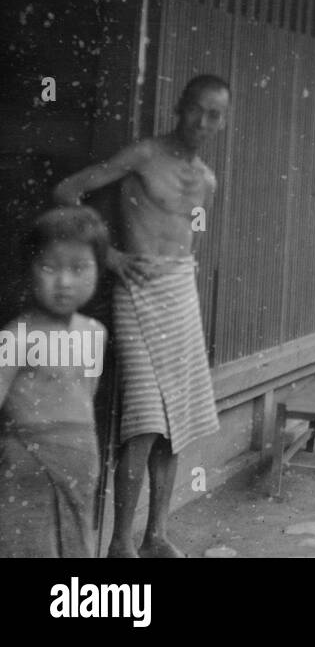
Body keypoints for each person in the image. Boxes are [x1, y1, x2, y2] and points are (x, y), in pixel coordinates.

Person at [53, 74, 229, 558]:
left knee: (178, 425)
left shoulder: (208, 181)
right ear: (180, 107)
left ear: (222, 122)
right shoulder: (144, 156)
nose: (202, 121)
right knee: (145, 419)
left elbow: (188, 237)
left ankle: (156, 534)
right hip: (136, 292)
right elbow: (69, 191)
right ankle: (120, 542)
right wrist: (107, 256)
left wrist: (179, 273)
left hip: (179, 294)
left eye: (214, 114)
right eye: (196, 109)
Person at [0, 206, 110, 557]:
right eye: (49, 267)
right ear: (29, 270)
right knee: (28, 541)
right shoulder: (16, 337)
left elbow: (86, 396)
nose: (64, 282)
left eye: (79, 268)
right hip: (26, 457)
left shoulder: (95, 333)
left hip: (81, 457)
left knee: (77, 542)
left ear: (98, 269)